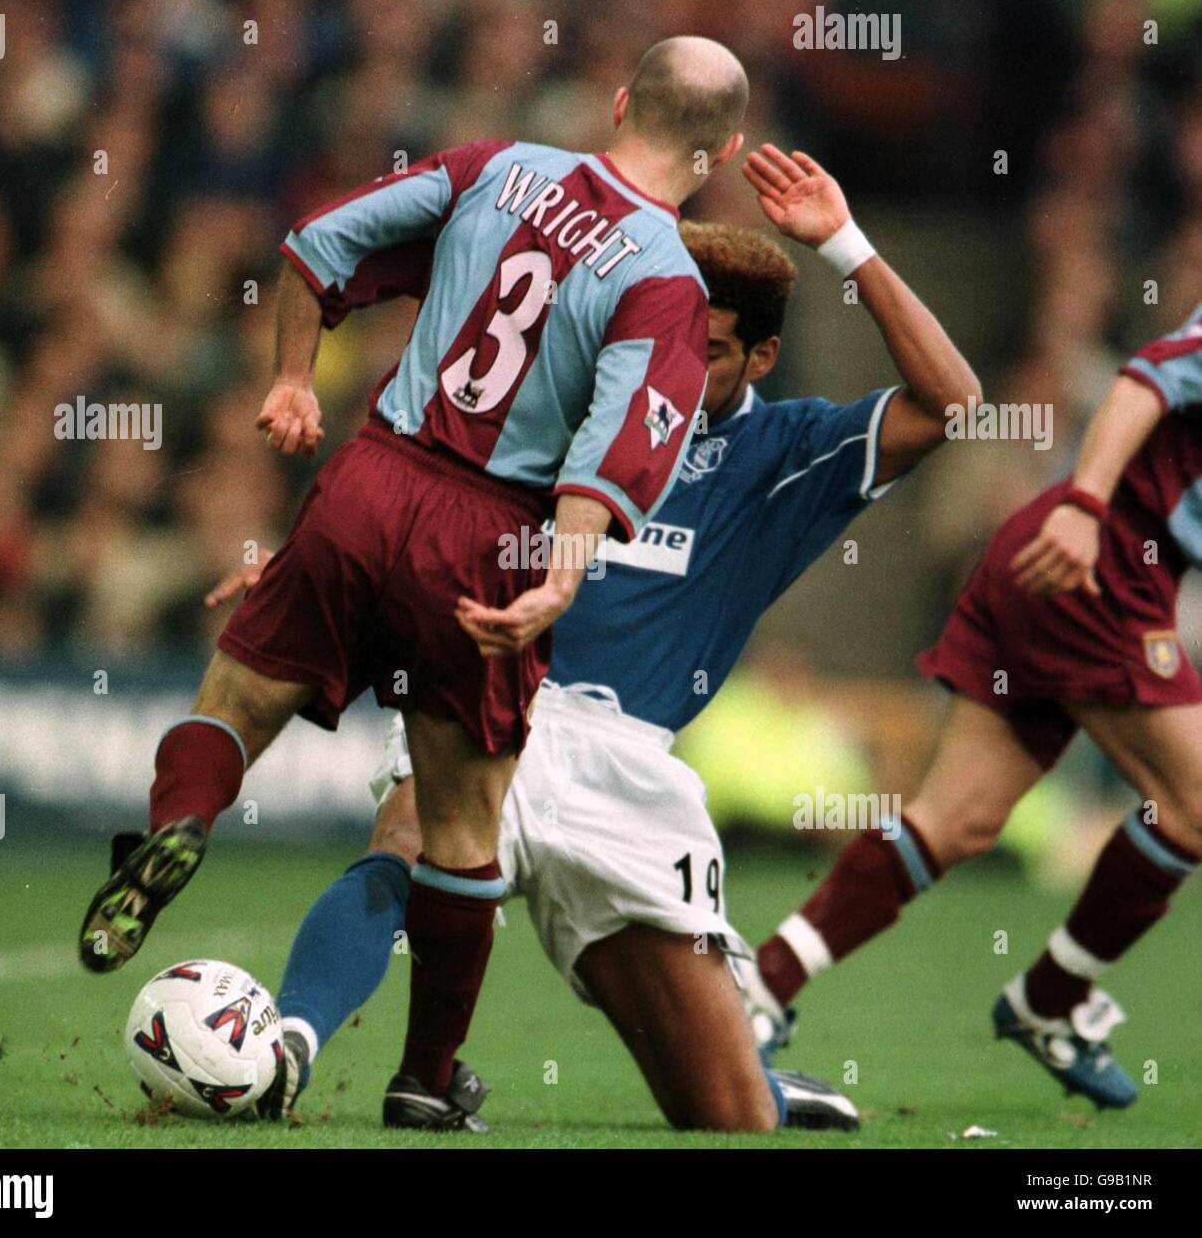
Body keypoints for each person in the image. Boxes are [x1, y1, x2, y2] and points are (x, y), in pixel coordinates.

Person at [206, 144, 980, 1131]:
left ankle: (755, 1078)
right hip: (509, 698)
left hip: (632, 772)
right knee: (405, 840)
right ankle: (287, 1052)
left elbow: (956, 404)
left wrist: (846, 245)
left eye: (704, 348)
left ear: (761, 359)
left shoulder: (785, 453)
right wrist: (310, 565)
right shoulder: (581, 391)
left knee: (728, 1116)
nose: (666, 357)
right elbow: (412, 497)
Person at [79, 37, 750, 1126]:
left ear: (620, 99)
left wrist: (293, 379)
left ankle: (181, 821)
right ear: (718, 154)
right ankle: (427, 1079)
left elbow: (317, 240)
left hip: (370, 475)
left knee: (237, 703)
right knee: (460, 829)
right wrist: (560, 577)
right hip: (488, 531)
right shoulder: (666, 280)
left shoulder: (494, 163)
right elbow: (614, 448)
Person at [756, 305, 1202, 1110]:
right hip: (1093, 564)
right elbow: (1143, 384)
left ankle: (763, 984)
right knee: (1195, 803)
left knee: (954, 820)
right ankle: (1054, 999)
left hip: (1073, 569)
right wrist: (1086, 507)